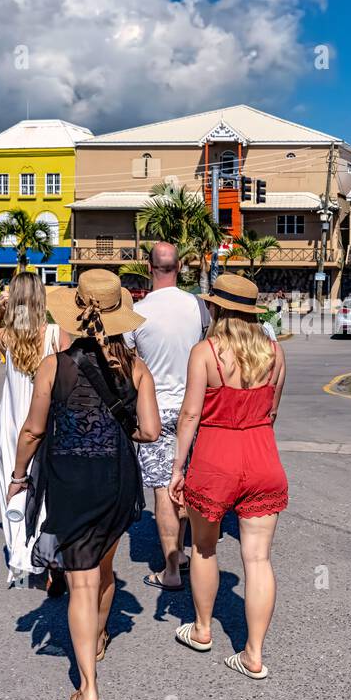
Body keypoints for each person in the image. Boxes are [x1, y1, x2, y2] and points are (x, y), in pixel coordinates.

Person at [8, 270, 161, 700]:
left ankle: (88, 687)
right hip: (116, 480)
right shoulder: (136, 367)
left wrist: (19, 475)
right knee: (105, 567)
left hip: (70, 480)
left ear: (76, 313)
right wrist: (120, 425)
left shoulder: (54, 365)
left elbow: (34, 430)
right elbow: (150, 431)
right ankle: (97, 639)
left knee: (81, 580)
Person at [168, 273, 287, 680]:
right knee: (258, 558)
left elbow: (189, 415)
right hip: (262, 455)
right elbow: (272, 412)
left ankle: (202, 629)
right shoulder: (274, 352)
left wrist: (177, 469)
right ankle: (253, 653)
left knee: (203, 547)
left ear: (216, 308)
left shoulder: (205, 352)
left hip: (215, 457)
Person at [0, 271, 71, 587]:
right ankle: (52, 558)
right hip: (48, 421)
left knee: (15, 492)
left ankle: (21, 557)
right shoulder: (57, 335)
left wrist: (1, 311)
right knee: (50, 493)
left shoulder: (7, 336)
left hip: (11, 424)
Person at [125, 242, 208, 592]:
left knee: (163, 487)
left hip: (153, 411)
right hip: (194, 408)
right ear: (179, 267)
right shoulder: (197, 307)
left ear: (149, 266)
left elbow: (130, 364)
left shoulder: (137, 312)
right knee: (187, 480)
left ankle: (172, 568)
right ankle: (191, 552)